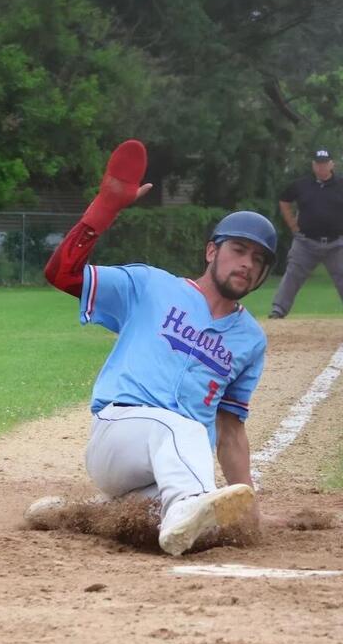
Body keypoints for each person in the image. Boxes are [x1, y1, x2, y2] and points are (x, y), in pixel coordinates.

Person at [26, 139, 276, 556]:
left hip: (166, 463)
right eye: (238, 250)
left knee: (207, 518)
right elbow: (62, 274)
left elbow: (230, 431)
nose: (246, 263)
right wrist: (105, 207)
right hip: (118, 433)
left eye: (258, 259)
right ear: (212, 250)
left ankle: (79, 513)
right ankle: (182, 508)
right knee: (181, 428)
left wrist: (248, 504)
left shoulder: (250, 340)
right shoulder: (149, 285)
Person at [269, 150, 343, 319]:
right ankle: (278, 310)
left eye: (324, 163)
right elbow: (284, 201)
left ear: (332, 164)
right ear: (313, 165)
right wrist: (293, 225)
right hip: (306, 242)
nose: (321, 167)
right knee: (292, 275)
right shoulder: (301, 184)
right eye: (318, 163)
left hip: (337, 243)